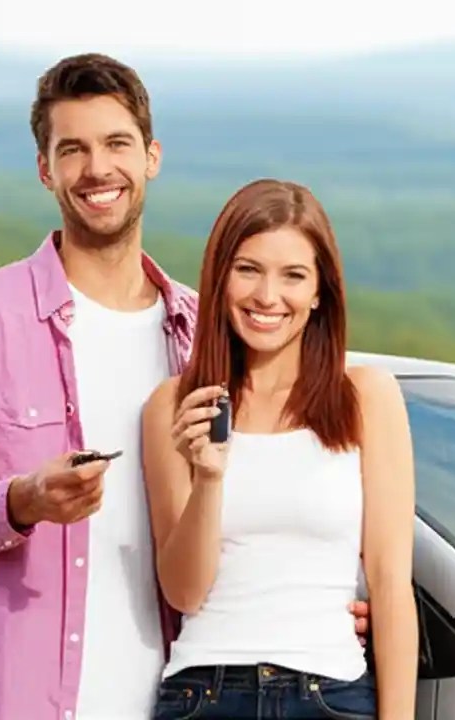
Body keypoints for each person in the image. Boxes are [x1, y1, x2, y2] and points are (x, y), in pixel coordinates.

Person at [0, 55, 371, 720]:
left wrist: (339, 602)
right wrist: (24, 498)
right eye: (73, 150)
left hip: (175, 697)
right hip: (22, 703)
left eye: (117, 144)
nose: (98, 169)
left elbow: (288, 481)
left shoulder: (201, 331)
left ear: (151, 157)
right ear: (46, 170)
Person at [140, 178, 420, 720]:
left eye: (293, 275)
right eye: (248, 270)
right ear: (219, 278)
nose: (268, 297)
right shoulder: (174, 405)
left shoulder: (366, 397)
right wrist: (209, 478)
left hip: (331, 693)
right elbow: (183, 592)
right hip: (204, 696)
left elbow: (390, 583)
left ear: (319, 292)